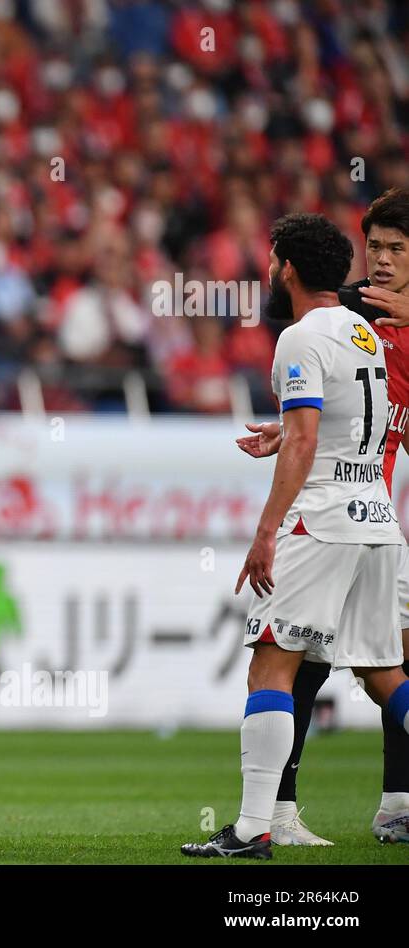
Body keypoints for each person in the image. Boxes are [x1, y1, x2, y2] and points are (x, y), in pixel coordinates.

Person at [182, 213, 409, 859]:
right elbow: (368, 419)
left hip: (325, 517)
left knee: (271, 665)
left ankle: (253, 828)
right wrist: (289, 432)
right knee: (383, 670)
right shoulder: (365, 333)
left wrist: (266, 533)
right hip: (378, 519)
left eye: (274, 260)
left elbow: (310, 439)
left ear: (288, 267)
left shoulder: (300, 339)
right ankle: (267, 820)